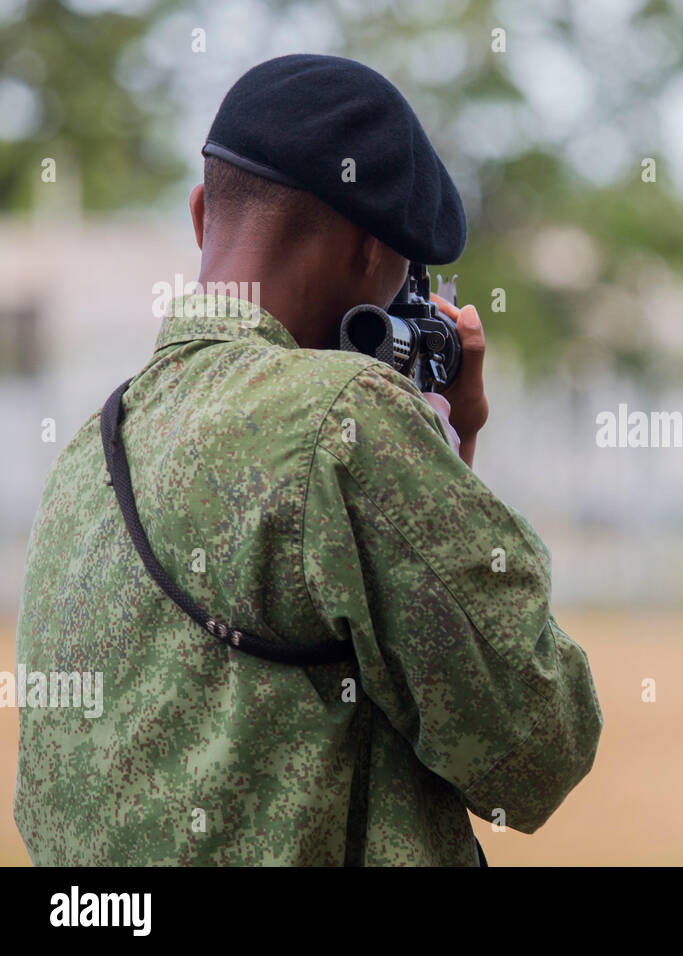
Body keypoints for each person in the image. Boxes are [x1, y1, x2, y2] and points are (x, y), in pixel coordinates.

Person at [13, 54, 602, 865]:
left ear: (198, 214)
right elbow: (537, 749)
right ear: (368, 253)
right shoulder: (349, 420)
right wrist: (450, 454)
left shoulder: (91, 447)